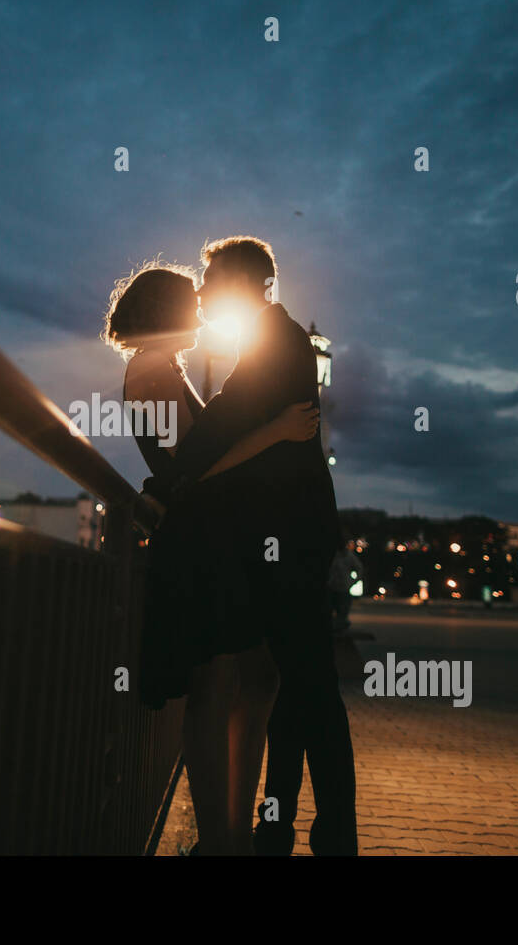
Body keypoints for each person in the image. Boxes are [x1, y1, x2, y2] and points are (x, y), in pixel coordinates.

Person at [142, 236, 358, 856]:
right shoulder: (272, 339)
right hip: (285, 540)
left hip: (288, 542)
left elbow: (220, 427)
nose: (204, 292)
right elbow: (232, 423)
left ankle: (331, 834)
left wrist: (174, 480)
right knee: (294, 682)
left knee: (309, 684)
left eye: (210, 281)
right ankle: (285, 826)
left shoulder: (275, 342)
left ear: (238, 283)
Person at [103, 261, 319, 855]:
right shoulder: (150, 372)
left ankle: (227, 836)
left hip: (212, 541)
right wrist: (275, 432)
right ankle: (223, 841)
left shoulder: (162, 369)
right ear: (166, 313)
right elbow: (184, 471)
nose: (202, 310)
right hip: (200, 546)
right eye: (192, 303)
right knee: (218, 687)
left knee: (249, 679)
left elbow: (192, 461)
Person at [327, 541, 363, 636]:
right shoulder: (334, 556)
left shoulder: (349, 556)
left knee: (342, 614)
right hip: (332, 588)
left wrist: (351, 582)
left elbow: (359, 569)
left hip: (343, 589)